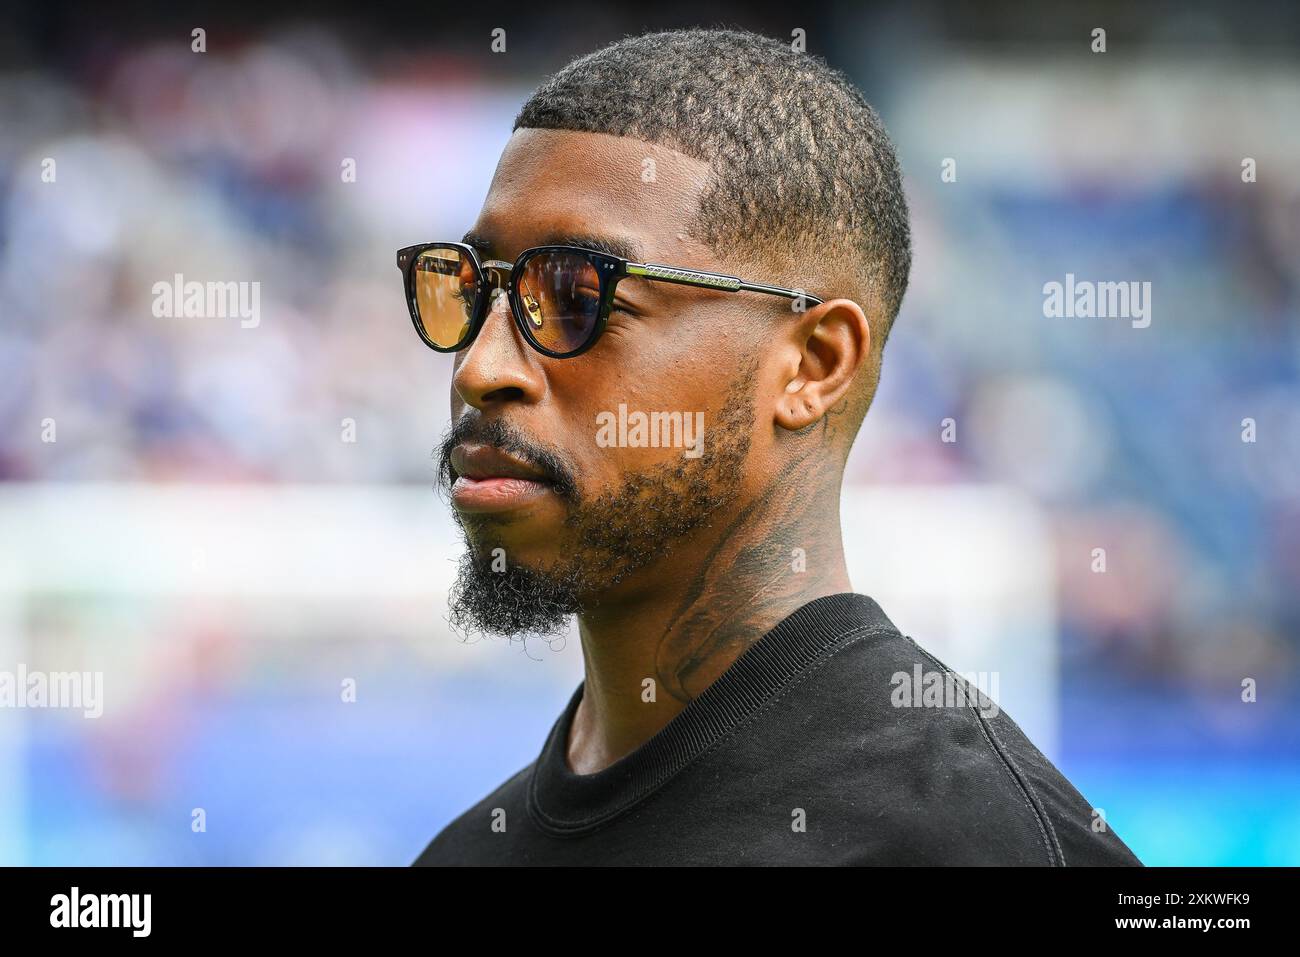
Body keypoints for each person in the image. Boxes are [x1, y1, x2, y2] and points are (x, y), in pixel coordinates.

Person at [402, 27, 1141, 866]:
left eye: (575, 293)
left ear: (812, 365)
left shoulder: (977, 843)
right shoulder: (463, 852)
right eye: (476, 287)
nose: (479, 367)